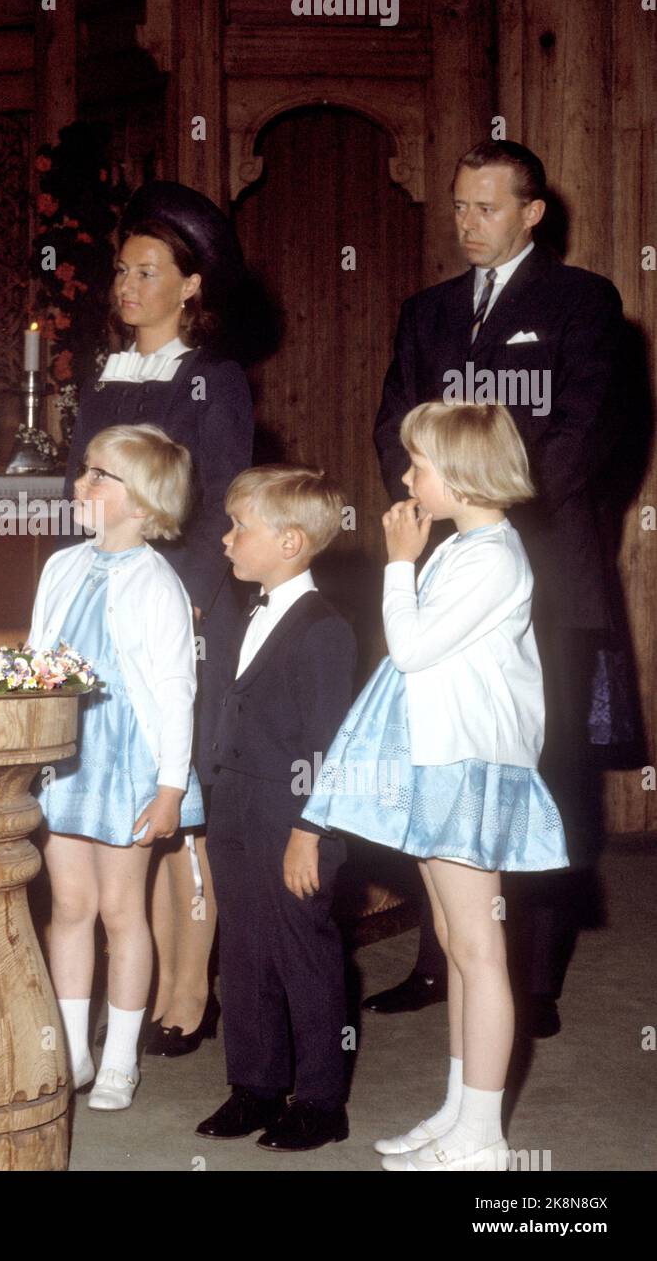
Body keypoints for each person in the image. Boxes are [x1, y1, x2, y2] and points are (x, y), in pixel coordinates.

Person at [372, 140, 624, 1038]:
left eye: (487, 208)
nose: (468, 224)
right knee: (443, 759)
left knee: (537, 770)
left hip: (539, 570)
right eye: (460, 206)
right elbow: (394, 418)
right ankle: (444, 961)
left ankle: (534, 978)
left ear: (531, 213)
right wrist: (427, 502)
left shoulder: (582, 301)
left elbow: (583, 433)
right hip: (446, 557)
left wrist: (489, 509)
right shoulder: (428, 310)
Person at [304, 401, 569, 1171]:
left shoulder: (492, 558)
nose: (408, 476)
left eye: (419, 464)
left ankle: (484, 1137)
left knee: (480, 947)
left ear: (458, 474)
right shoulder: (465, 548)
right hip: (440, 756)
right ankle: (460, 1109)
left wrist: (396, 562)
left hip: (470, 764)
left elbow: (412, 650)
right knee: (455, 940)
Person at [63, 181, 254, 1057]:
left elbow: (214, 512)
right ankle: (138, 987)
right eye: (122, 270)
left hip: (182, 609)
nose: (127, 286)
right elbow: (89, 500)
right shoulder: (101, 375)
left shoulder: (213, 380)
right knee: (126, 802)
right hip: (106, 609)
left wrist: (181, 606)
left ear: (192, 288)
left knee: (185, 801)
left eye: (149, 272)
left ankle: (189, 987)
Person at [28, 425, 205, 1111]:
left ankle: (121, 1058)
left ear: (142, 502)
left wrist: (171, 786)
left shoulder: (157, 582)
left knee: (121, 909)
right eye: (85, 471)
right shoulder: (61, 566)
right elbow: (38, 659)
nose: (82, 484)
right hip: (65, 756)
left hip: (128, 758)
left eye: (100, 477)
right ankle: (73, 1049)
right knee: (69, 906)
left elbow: (174, 691)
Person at [195, 466, 356, 1153]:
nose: (225, 540)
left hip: (295, 816)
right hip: (236, 802)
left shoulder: (323, 629)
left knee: (301, 950)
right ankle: (255, 1085)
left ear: (291, 542)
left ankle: (319, 1100)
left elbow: (330, 743)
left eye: (240, 528)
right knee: (246, 945)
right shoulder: (247, 610)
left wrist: (309, 831)